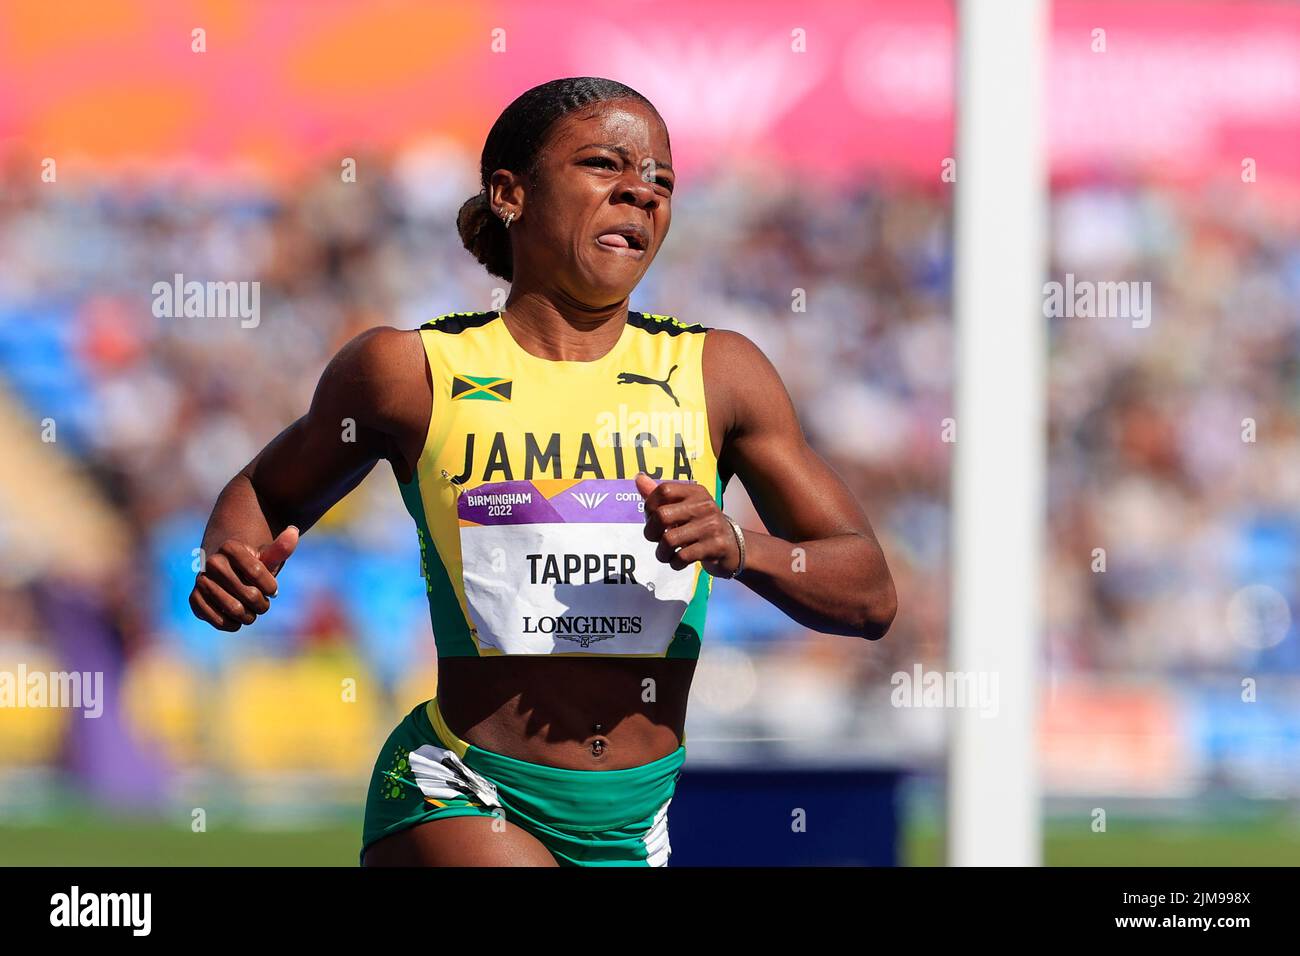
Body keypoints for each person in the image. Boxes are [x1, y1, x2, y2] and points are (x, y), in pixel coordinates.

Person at [189, 76, 897, 867]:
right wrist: (230, 563)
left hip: (634, 824)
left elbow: (868, 594)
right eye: (604, 163)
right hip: (457, 787)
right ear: (509, 194)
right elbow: (260, 491)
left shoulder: (718, 375)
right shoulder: (407, 372)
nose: (640, 189)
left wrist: (739, 545)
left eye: (661, 178)